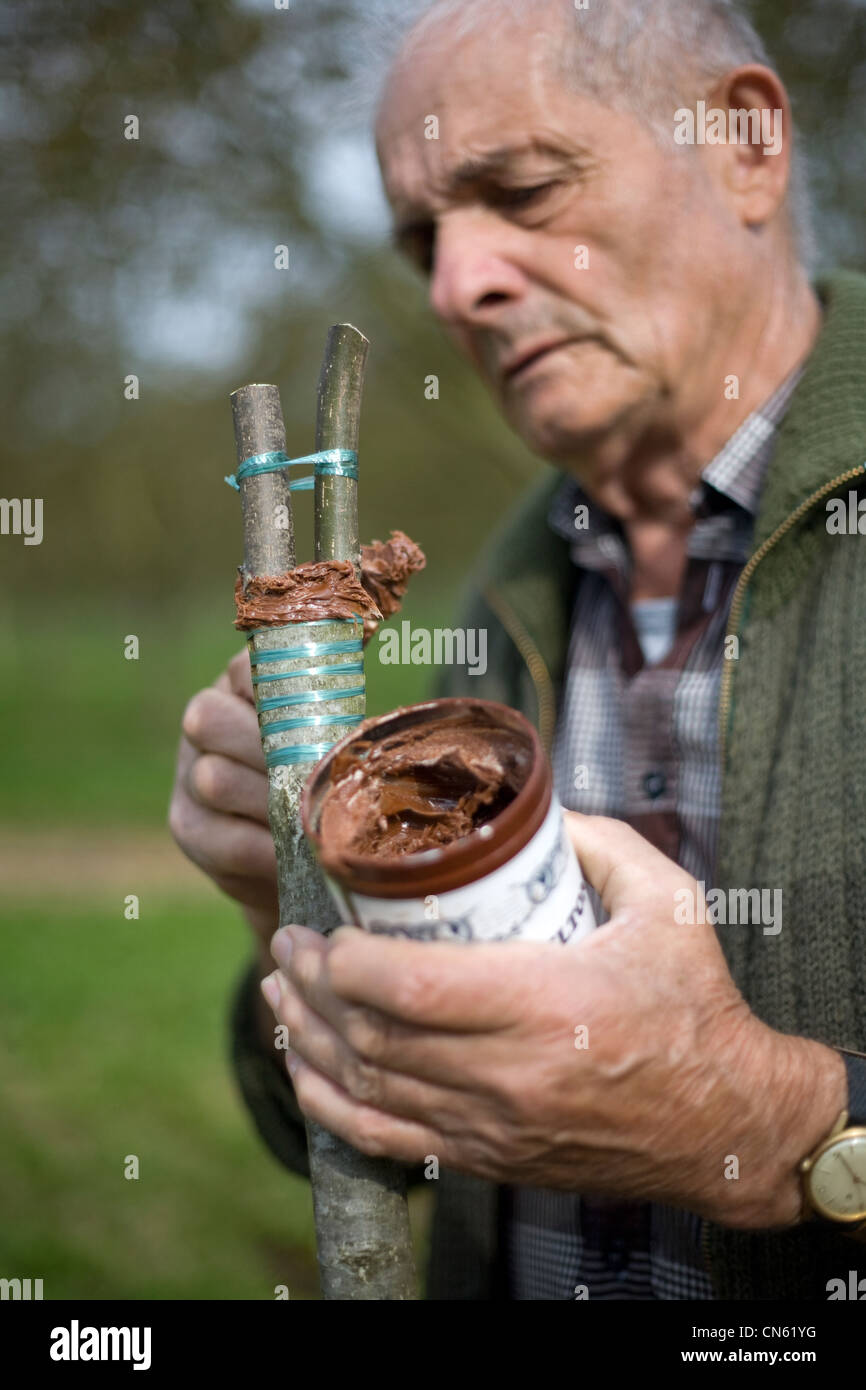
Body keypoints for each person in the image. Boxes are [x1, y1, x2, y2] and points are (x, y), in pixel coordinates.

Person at [169, 0, 866, 1300]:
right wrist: (298, 916)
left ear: (745, 145)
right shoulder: (473, 618)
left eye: (522, 189)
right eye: (424, 235)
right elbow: (343, 1140)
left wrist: (784, 1131)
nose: (451, 285)